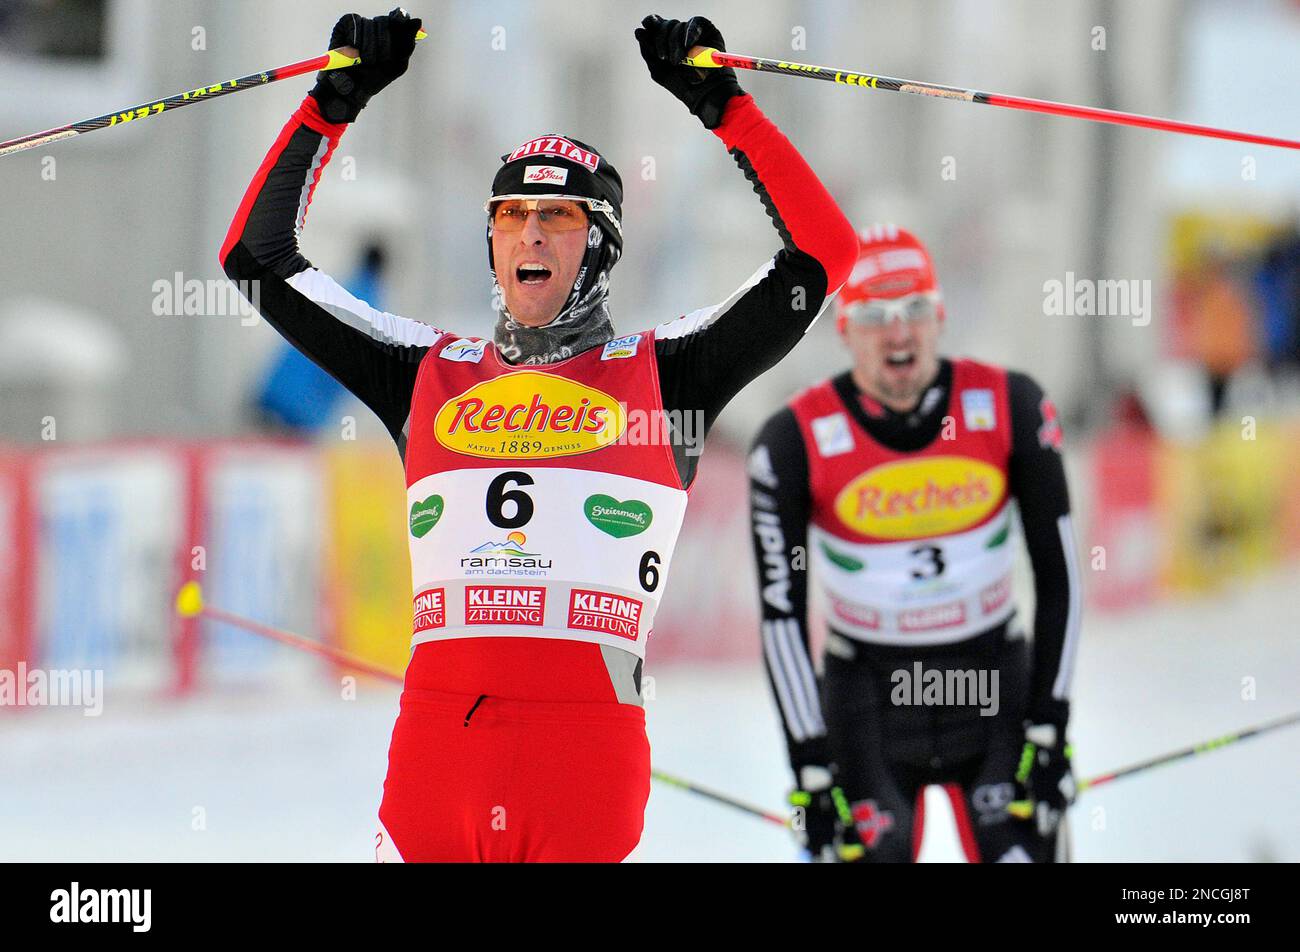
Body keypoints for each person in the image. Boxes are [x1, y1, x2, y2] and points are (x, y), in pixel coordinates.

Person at [220, 9, 856, 861]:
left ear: (600, 244)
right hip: (437, 755)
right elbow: (255, 261)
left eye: (556, 216)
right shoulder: (423, 370)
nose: (527, 232)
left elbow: (823, 254)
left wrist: (727, 111)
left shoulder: (668, 376)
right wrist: (332, 104)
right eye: (511, 214)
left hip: (581, 760)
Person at [747, 225, 1081, 863]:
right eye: (874, 315)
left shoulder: (1010, 403)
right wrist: (810, 764)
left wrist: (1051, 722)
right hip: (867, 700)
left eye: (916, 310)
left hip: (993, 687)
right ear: (843, 328)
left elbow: (1061, 574)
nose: (898, 333)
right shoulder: (792, 440)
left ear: (941, 318)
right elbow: (780, 616)